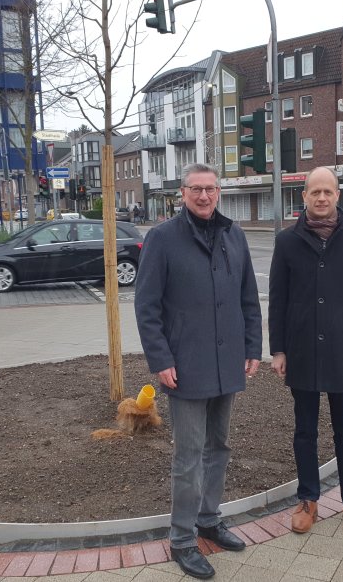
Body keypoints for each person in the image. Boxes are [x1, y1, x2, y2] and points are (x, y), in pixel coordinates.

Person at [134, 162, 263, 579]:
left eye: (210, 189)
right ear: (183, 194)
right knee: (188, 456)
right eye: (195, 190)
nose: (204, 196)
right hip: (185, 367)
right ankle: (182, 539)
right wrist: (161, 360)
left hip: (227, 364)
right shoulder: (162, 238)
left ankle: (209, 519)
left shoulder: (234, 234)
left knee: (219, 448)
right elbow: (147, 306)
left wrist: (252, 348)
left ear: (218, 192)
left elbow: (248, 298)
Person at [268, 166, 343, 540]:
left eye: (327, 192)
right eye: (314, 192)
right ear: (303, 196)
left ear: (337, 196)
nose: (321, 198)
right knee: (305, 431)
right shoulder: (287, 242)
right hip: (301, 349)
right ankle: (308, 500)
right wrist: (279, 349)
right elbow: (278, 301)